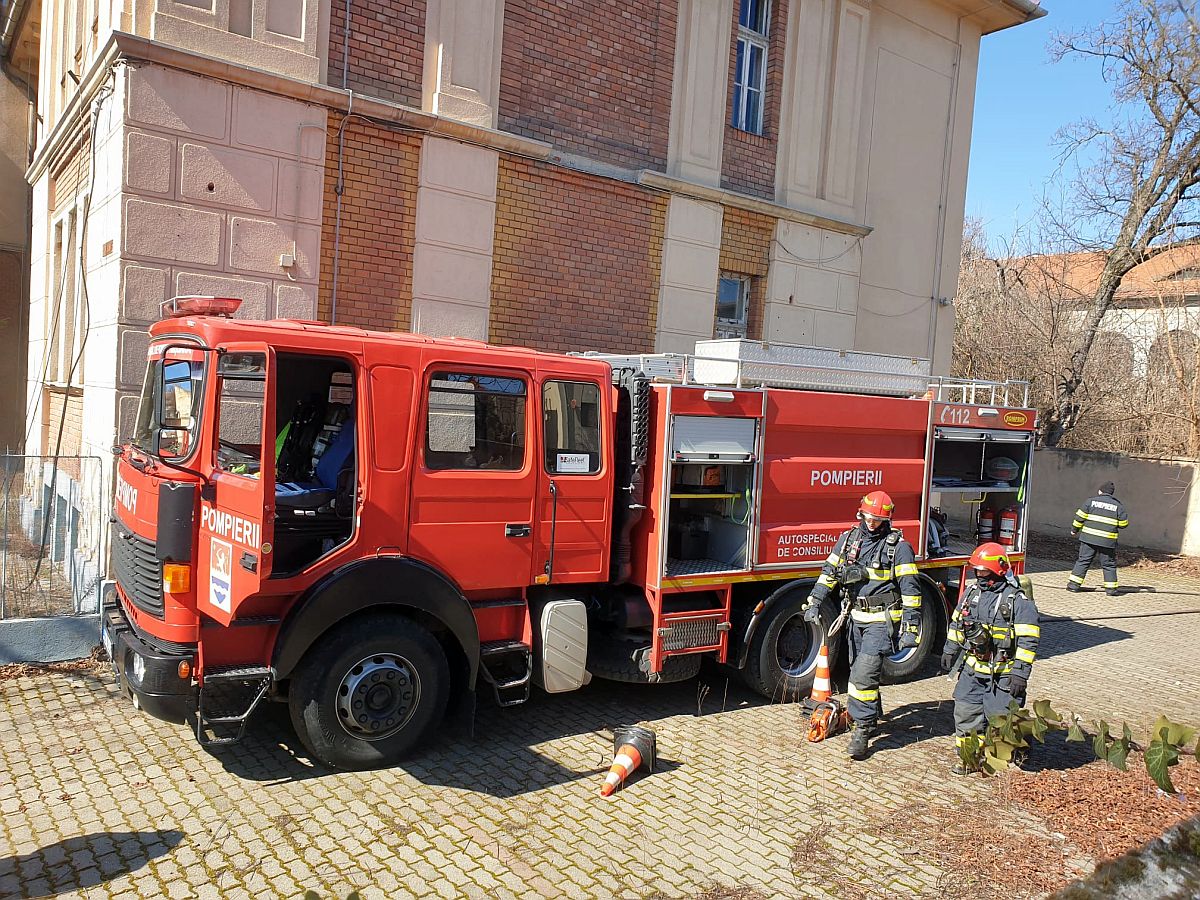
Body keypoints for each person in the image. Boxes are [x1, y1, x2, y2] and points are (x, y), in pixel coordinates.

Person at [802, 490, 922, 760]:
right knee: (859, 672)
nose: (872, 522)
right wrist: (815, 602)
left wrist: (911, 629)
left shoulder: (898, 548)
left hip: (881, 621)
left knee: (861, 677)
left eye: (878, 518)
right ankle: (872, 711)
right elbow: (829, 573)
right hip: (855, 618)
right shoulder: (848, 540)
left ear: (887, 518)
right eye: (868, 516)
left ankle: (863, 730)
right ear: (861, 514)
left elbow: (911, 591)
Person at [942, 542, 1040, 775]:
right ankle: (970, 758)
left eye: (984, 572)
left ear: (999, 570)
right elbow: (958, 623)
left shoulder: (1017, 601)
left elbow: (1029, 640)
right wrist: (949, 649)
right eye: (977, 571)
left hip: (1003, 675)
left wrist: (1020, 673)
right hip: (973, 670)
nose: (979, 576)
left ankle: (1017, 749)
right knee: (966, 713)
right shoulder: (971, 594)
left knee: (1002, 718)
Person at [1067, 481, 1129, 596]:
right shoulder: (1118, 506)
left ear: (1100, 491)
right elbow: (1124, 524)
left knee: (1083, 561)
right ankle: (1111, 590)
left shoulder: (1090, 501)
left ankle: (1073, 586)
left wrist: (1074, 530)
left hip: (1088, 539)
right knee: (1109, 564)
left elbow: (1079, 517)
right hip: (1107, 541)